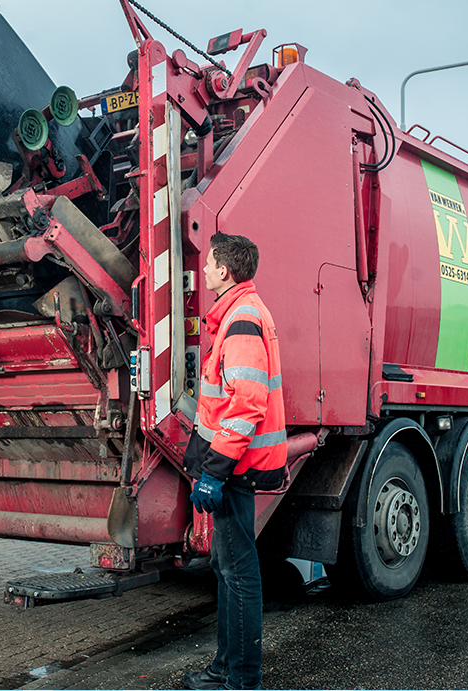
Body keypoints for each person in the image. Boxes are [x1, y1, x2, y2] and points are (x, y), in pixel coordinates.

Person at [181, 233, 286, 690]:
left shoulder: (242, 319)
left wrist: (215, 471)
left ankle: (242, 679)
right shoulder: (238, 315)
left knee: (239, 573)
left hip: (236, 469)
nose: (203, 272)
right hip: (232, 465)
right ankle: (225, 670)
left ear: (225, 271)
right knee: (226, 569)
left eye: (208, 265)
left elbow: (247, 404)